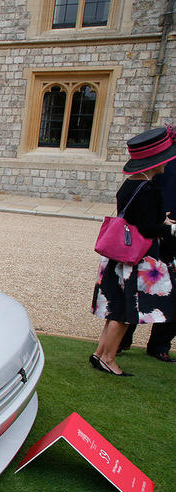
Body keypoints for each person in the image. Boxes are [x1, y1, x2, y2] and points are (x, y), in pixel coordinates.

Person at [90, 126, 176, 376]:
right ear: (153, 164)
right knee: (126, 312)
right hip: (137, 259)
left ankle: (100, 353)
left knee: (116, 308)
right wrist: (168, 228)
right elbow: (147, 228)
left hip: (121, 255)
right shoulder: (148, 190)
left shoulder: (130, 185)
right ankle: (108, 358)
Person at [117, 156, 176, 362]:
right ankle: (118, 343)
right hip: (150, 245)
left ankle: (159, 344)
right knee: (135, 293)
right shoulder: (149, 181)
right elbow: (144, 222)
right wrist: (168, 225)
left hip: (158, 237)